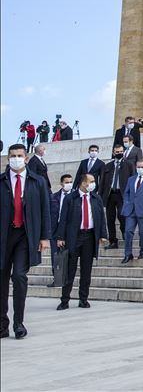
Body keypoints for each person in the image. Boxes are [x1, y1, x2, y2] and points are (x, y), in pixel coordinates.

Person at [1, 144, 51, 339]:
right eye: (13, 156)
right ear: (8, 159)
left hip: (25, 235)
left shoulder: (37, 181)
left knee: (20, 276)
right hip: (4, 237)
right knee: (2, 279)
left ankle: (18, 322)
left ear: (26, 158)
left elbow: (45, 209)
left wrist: (45, 236)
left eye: (19, 155)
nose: (16, 159)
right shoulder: (2, 181)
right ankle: (2, 324)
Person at [56, 174, 108, 310]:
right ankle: (65, 300)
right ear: (84, 183)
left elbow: (101, 218)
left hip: (90, 237)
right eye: (91, 181)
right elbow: (63, 219)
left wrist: (103, 234)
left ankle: (83, 299)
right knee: (69, 270)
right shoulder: (70, 198)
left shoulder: (96, 198)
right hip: (74, 237)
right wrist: (60, 237)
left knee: (86, 270)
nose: (93, 184)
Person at [120, 159, 143, 264]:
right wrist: (127, 203)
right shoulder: (131, 179)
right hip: (131, 210)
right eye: (138, 167)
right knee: (128, 231)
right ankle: (128, 254)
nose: (140, 169)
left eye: (142, 167)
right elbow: (126, 192)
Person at [100, 143, 133, 249]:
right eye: (117, 152)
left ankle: (124, 232)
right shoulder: (108, 166)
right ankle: (113, 241)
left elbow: (132, 180)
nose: (119, 153)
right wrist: (100, 196)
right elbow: (102, 182)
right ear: (113, 153)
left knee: (121, 215)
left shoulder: (128, 164)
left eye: (121, 152)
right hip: (110, 195)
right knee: (110, 219)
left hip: (122, 195)